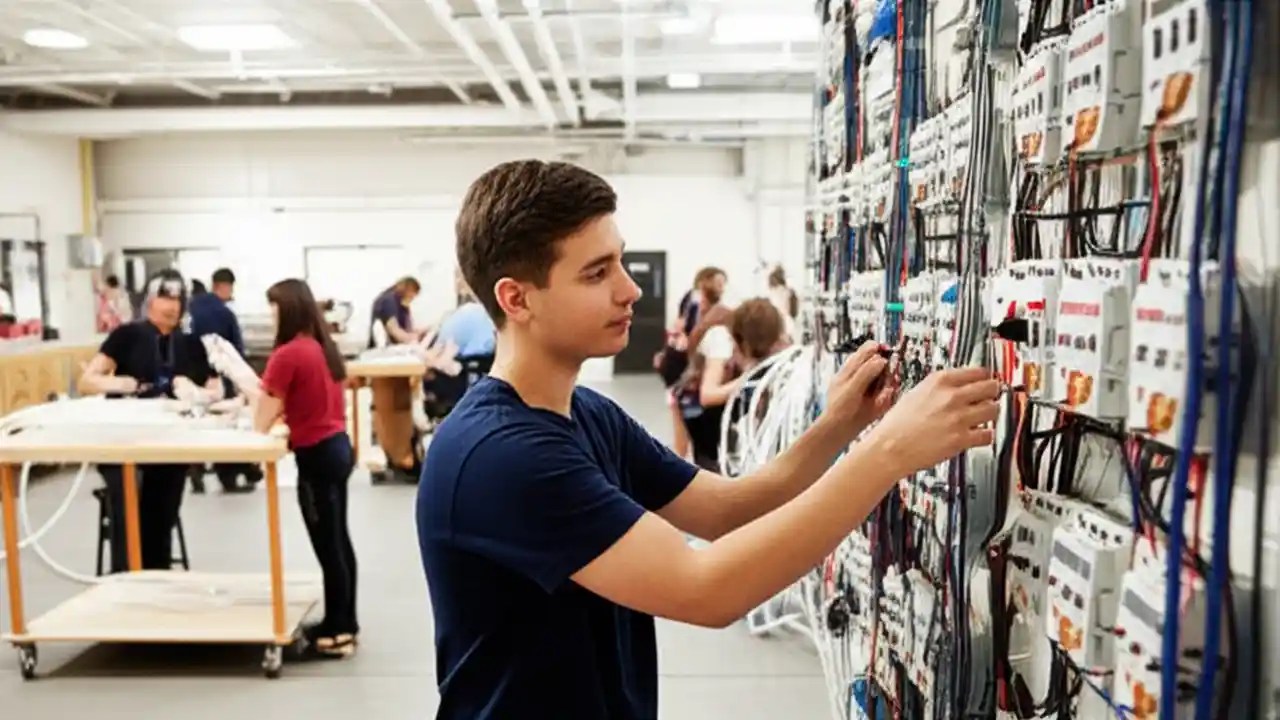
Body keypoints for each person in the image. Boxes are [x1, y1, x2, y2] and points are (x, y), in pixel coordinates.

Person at [416, 160, 999, 720]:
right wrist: (887, 453)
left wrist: (841, 427)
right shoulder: (502, 455)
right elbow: (707, 590)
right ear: (516, 299)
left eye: (619, 262)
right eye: (596, 274)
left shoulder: (588, 414)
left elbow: (726, 510)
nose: (630, 291)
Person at [79, 269, 224, 573]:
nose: (171, 306)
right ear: (148, 300)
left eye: (178, 299)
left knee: (162, 512)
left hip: (171, 445)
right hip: (123, 443)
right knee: (128, 508)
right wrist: (123, 385)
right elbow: (88, 381)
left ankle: (157, 574)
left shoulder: (193, 345)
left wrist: (195, 392)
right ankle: (125, 575)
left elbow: (217, 392)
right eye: (164, 297)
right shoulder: (126, 336)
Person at [250, 278, 359, 658]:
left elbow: (260, 421)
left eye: (274, 309)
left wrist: (255, 400)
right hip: (338, 448)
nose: (271, 316)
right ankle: (343, 621)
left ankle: (338, 631)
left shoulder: (287, 355)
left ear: (288, 309)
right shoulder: (321, 349)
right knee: (338, 540)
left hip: (316, 455)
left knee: (327, 545)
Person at [687, 297, 791, 470]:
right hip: (707, 425)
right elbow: (708, 395)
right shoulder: (721, 340)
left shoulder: (776, 347)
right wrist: (748, 377)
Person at [188, 268, 258, 494]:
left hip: (191, 378)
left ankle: (195, 470)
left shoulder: (191, 309)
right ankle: (229, 474)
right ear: (225, 286)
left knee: (195, 424)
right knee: (226, 426)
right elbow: (235, 351)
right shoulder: (223, 313)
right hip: (220, 375)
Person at [367, 276, 425, 484]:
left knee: (399, 403)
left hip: (396, 355)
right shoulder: (388, 301)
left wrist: (416, 334)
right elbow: (394, 330)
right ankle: (396, 454)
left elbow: (406, 328)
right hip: (384, 359)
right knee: (387, 406)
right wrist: (411, 340)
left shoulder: (399, 304)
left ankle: (402, 451)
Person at [675, 268, 734, 470]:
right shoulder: (713, 321)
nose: (722, 286)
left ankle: (680, 467)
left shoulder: (713, 319)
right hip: (692, 380)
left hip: (691, 380)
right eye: (719, 283)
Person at [766, 265, 799, 341]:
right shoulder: (790, 292)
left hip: (777, 323)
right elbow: (794, 312)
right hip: (788, 323)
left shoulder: (772, 293)